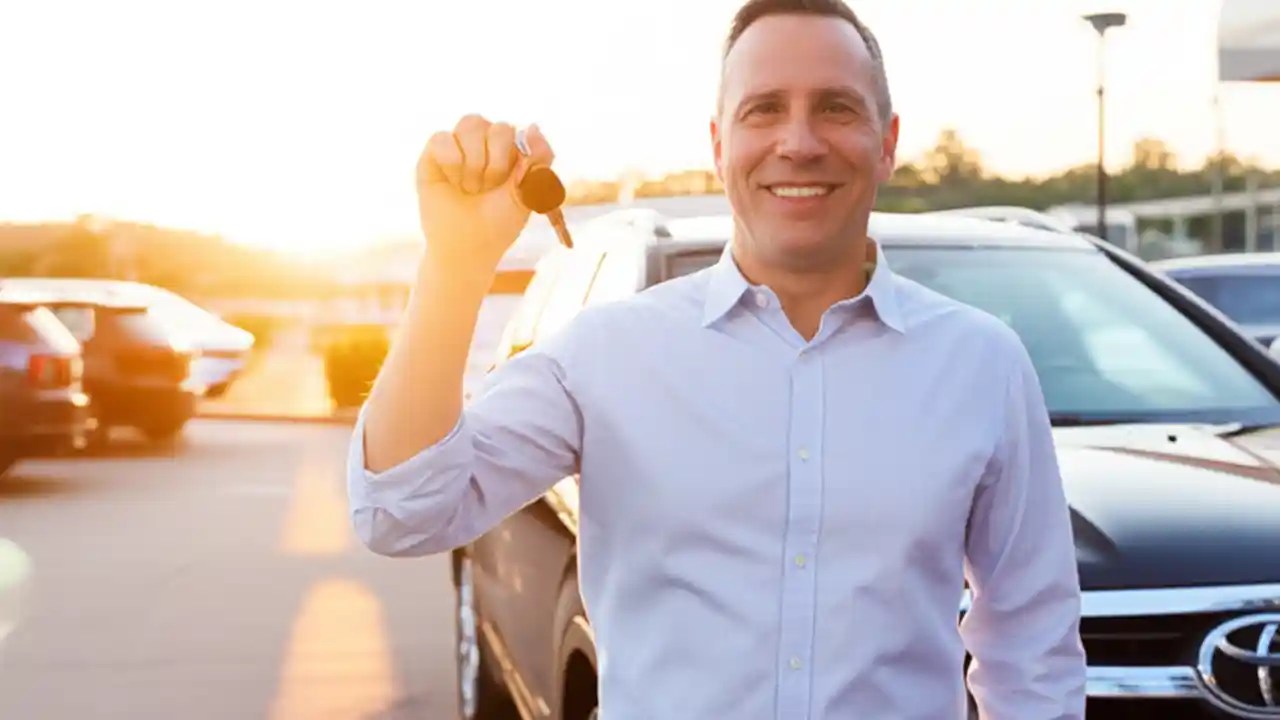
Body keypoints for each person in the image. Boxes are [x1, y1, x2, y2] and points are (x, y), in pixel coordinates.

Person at [347, 0, 1087, 717]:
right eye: (763, 109)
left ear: (887, 141)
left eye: (836, 107)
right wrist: (457, 261)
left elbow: (1032, 646)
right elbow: (400, 512)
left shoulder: (982, 364)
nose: (799, 141)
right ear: (718, 144)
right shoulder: (606, 355)